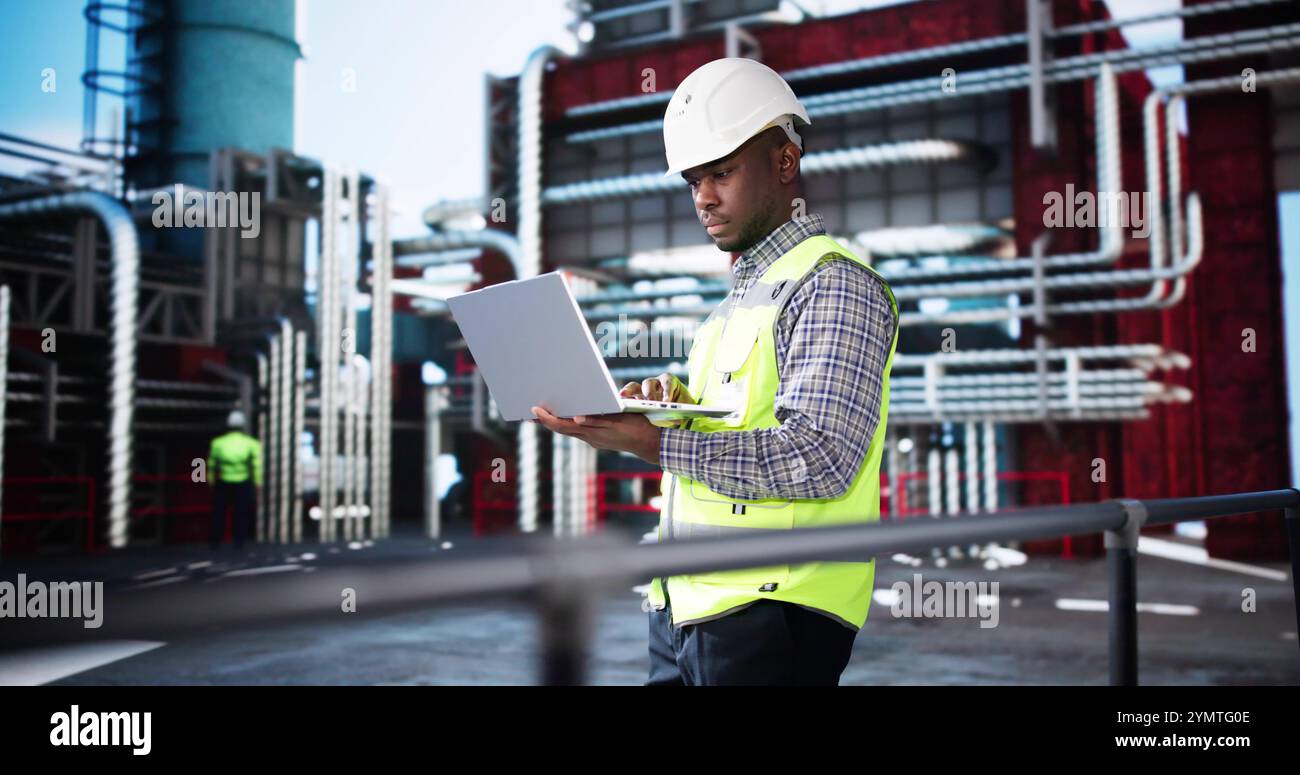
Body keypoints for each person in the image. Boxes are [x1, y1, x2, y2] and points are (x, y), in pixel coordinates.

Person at [531, 57, 899, 685]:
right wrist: (670, 404)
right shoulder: (734, 304)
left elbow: (823, 457)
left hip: (774, 604)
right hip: (690, 598)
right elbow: (733, 421)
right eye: (693, 180)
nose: (703, 196)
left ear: (784, 162)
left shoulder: (833, 283)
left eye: (721, 173)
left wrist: (654, 442)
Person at [207, 409, 263, 551]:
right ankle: (239, 541)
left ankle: (215, 541)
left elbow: (210, 464)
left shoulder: (217, 443)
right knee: (241, 512)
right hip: (243, 481)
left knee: (219, 512)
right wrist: (258, 482)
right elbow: (256, 466)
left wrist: (209, 481)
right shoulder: (251, 443)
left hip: (223, 481)